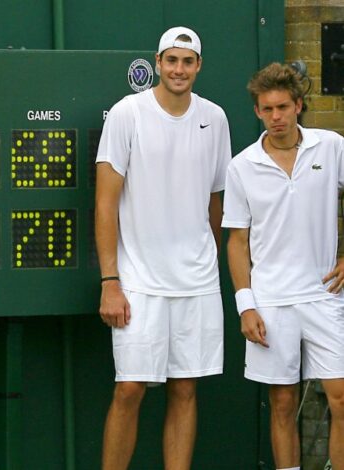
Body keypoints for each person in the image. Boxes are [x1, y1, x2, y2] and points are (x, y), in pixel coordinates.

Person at [95, 26, 231, 469]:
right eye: (171, 60)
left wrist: (211, 263)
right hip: (138, 283)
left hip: (196, 282)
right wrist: (110, 281)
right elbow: (105, 202)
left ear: (199, 67)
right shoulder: (126, 113)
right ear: (157, 63)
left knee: (186, 388)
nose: (179, 69)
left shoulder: (216, 118)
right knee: (129, 389)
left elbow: (216, 201)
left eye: (187, 62)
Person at [223, 62, 344, 470]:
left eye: (283, 108)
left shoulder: (330, 146)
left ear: (298, 105)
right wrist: (246, 305)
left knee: (341, 394)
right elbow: (237, 242)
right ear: (257, 111)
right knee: (282, 401)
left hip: (324, 294)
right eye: (266, 109)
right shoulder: (241, 166)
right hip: (271, 299)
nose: (276, 117)